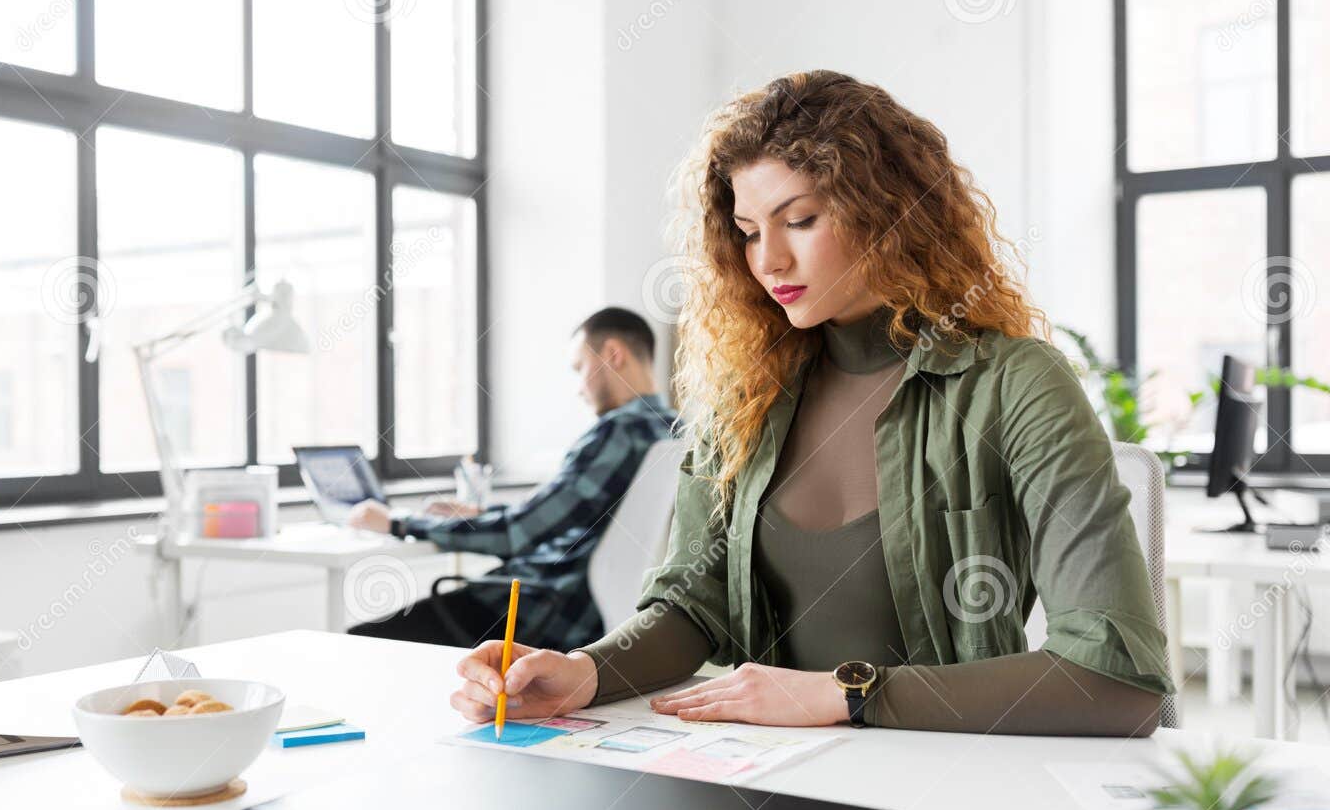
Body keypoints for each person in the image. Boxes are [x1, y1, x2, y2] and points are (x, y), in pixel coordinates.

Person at [450, 70, 1174, 738]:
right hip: (766, 777)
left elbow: (1119, 679)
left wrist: (848, 693)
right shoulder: (746, 394)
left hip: (948, 777)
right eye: (748, 231)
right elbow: (692, 605)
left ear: (889, 213)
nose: (768, 261)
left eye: (798, 219)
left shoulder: (1015, 382)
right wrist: (586, 671)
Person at [346, 307, 678, 653]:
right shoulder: (671, 429)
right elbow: (557, 517)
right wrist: (477, 515)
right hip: (589, 616)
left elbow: (516, 534)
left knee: (360, 641)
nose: (579, 388)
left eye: (580, 368)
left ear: (613, 355)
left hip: (535, 612)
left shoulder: (620, 431)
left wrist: (398, 522)